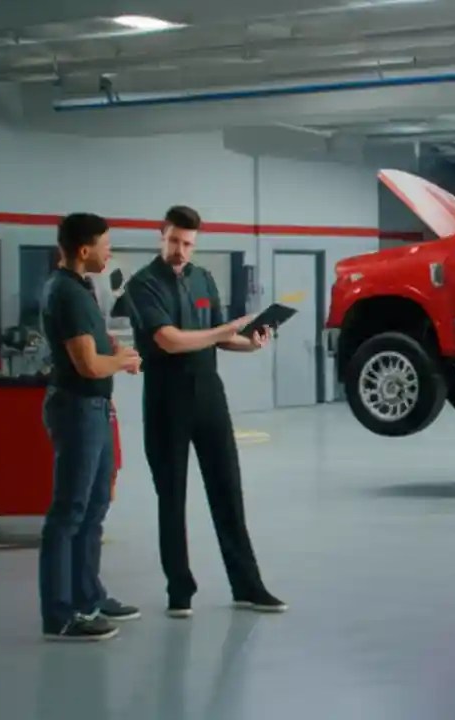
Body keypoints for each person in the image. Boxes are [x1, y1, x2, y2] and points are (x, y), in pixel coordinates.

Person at [124, 205, 286, 617]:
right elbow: (170, 340)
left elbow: (217, 338)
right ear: (162, 236)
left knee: (228, 489)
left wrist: (250, 341)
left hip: (208, 394)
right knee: (171, 495)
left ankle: (247, 585)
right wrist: (226, 330)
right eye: (175, 241)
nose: (181, 250)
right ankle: (180, 590)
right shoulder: (143, 285)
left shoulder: (203, 279)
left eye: (189, 244)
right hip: (166, 398)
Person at [39, 212, 143, 641]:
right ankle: (61, 614)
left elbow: (93, 348)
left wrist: (111, 348)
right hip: (78, 408)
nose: (109, 252)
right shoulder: (68, 293)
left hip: (94, 408)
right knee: (70, 512)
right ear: (85, 251)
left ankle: (88, 597)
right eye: (105, 245)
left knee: (95, 507)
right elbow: (87, 364)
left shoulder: (79, 287)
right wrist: (121, 359)